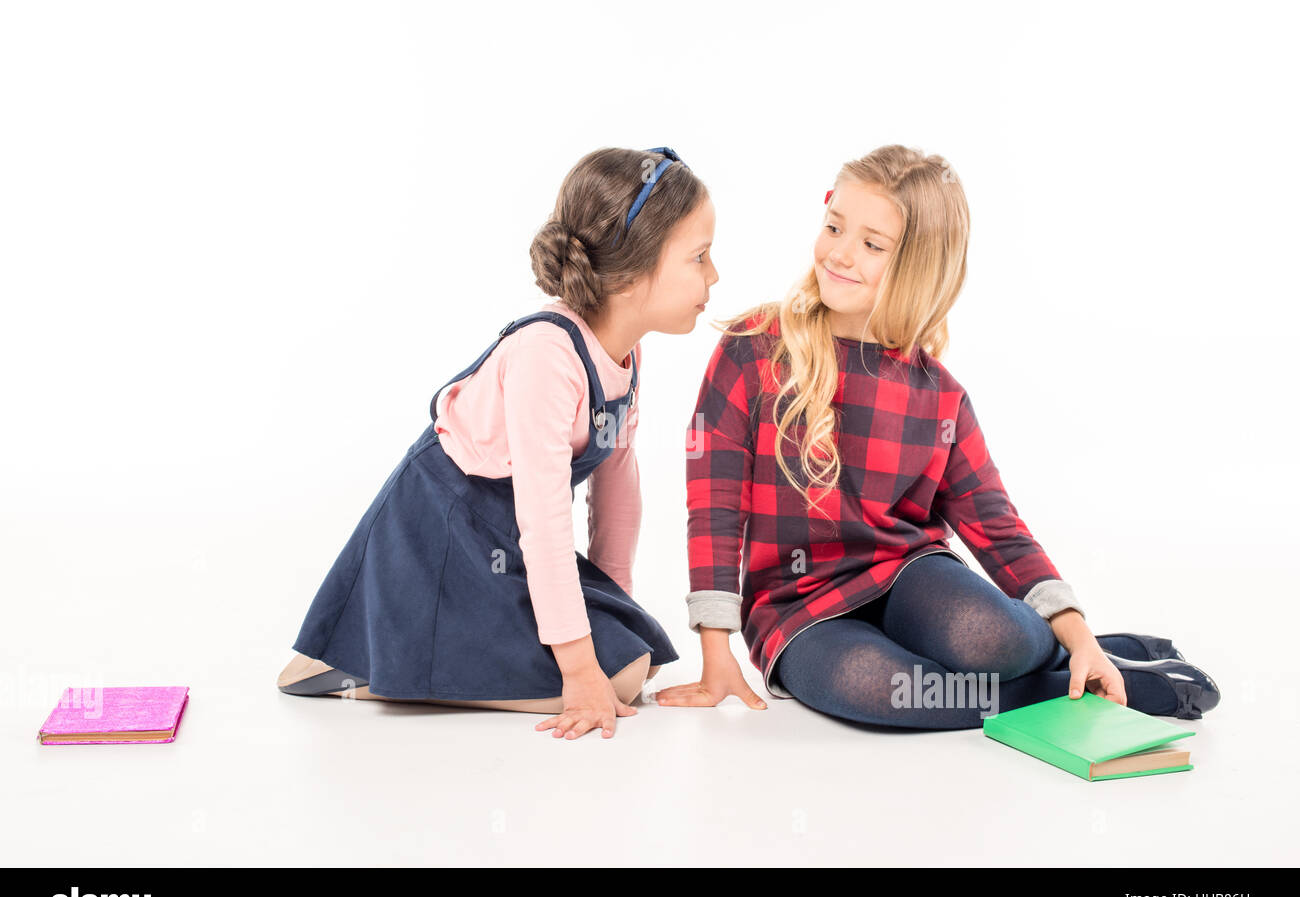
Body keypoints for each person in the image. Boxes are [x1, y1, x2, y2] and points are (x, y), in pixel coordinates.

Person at [657, 144, 1221, 729]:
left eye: (872, 245)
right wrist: (715, 651)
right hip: (801, 608)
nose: (840, 254)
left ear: (918, 267)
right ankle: (1066, 689)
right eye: (834, 227)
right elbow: (715, 505)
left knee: (991, 640)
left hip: (909, 576)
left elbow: (995, 524)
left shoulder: (939, 392)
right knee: (877, 689)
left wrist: (1076, 632)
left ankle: (1087, 655)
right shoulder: (754, 347)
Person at [278, 146, 719, 740]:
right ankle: (376, 668)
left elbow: (616, 495)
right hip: (438, 538)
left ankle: (413, 664)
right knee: (612, 676)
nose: (713, 276)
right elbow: (543, 516)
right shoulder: (548, 352)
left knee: (635, 659)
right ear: (634, 271)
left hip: (504, 542)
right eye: (699, 257)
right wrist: (580, 668)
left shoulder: (626, 355)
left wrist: (615, 605)